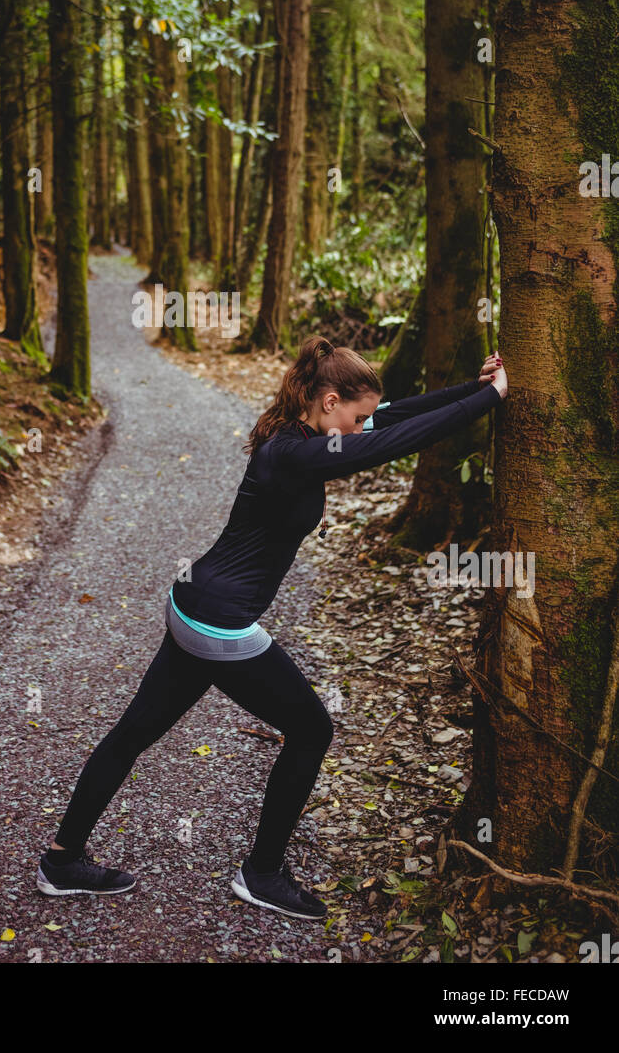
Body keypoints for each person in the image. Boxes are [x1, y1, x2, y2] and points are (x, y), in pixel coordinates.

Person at [36, 337, 507, 919]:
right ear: (329, 400)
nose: (362, 427)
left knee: (135, 732)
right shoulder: (296, 454)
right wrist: (492, 403)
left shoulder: (302, 430)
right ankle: (261, 874)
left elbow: (395, 414)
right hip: (218, 624)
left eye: (363, 418)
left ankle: (61, 860)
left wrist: (478, 388)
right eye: (355, 417)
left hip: (191, 604)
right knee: (312, 730)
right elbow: (391, 442)